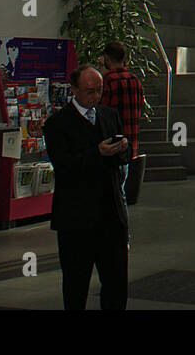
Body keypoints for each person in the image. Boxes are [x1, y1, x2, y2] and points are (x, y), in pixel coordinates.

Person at [43, 66, 131, 310]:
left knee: (116, 283)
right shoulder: (57, 124)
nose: (95, 96)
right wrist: (97, 153)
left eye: (99, 91)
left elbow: (123, 156)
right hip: (77, 219)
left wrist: (124, 149)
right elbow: (63, 165)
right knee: (76, 284)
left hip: (110, 217)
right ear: (74, 91)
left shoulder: (109, 115)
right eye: (89, 91)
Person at [100, 40, 144, 202]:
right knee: (120, 189)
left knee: (113, 194)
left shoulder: (108, 81)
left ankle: (117, 224)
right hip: (130, 144)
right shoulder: (135, 80)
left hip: (111, 145)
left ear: (106, 58)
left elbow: (101, 112)